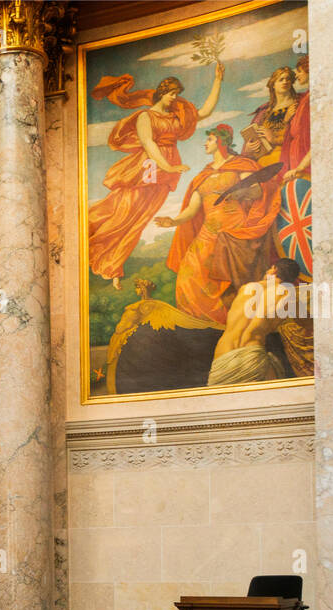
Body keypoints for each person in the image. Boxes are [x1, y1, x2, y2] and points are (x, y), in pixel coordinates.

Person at [87, 62, 224, 289]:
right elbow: (149, 145)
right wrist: (168, 168)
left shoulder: (174, 117)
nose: (174, 98)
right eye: (171, 94)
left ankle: (114, 265)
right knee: (125, 212)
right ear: (162, 93)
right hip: (149, 167)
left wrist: (218, 80)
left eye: (176, 94)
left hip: (168, 170)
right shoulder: (145, 117)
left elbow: (204, 112)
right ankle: (99, 250)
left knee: (140, 218)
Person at [153, 124, 280, 326]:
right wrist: (173, 221)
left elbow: (256, 191)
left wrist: (239, 193)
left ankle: (229, 324)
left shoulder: (240, 165)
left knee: (228, 281)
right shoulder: (203, 175)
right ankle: (202, 325)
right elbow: (193, 209)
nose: (206, 143)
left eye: (210, 139)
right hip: (207, 233)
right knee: (188, 275)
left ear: (221, 141)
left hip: (234, 230)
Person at [207, 258, 302, 386]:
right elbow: (306, 323)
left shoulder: (246, 288)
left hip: (223, 354)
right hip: (252, 354)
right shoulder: (288, 295)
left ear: (274, 269)